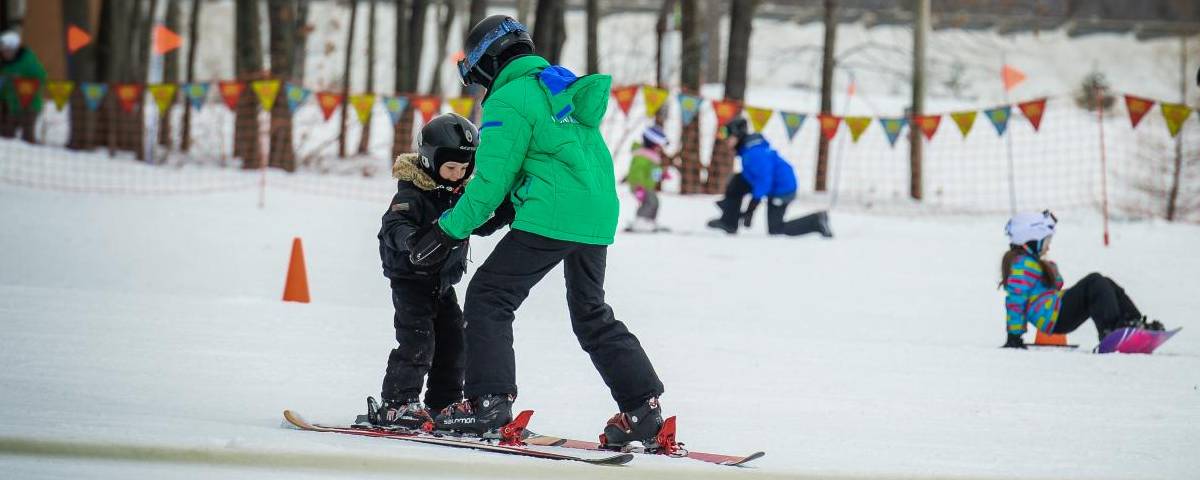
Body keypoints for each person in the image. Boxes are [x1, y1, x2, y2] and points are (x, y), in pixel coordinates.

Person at [407, 16, 669, 450]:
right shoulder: (558, 87)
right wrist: (505, 209)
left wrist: (446, 230)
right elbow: (550, 164)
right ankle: (643, 408)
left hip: (555, 213)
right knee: (591, 312)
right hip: (595, 214)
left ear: (489, 61)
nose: (480, 88)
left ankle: (488, 402)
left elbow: (490, 183)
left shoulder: (510, 99)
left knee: (490, 296)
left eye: (477, 76)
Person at [371, 113, 513, 429]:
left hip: (442, 283)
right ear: (429, 160)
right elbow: (393, 225)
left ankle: (444, 403)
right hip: (411, 281)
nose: (456, 175)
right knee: (418, 342)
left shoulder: (458, 191)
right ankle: (397, 403)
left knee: (454, 344)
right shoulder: (412, 193)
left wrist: (506, 211)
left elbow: (476, 225)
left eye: (464, 169)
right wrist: (412, 240)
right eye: (450, 168)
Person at [999, 211, 1165, 349]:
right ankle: (1113, 331)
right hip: (1054, 317)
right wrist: (1014, 336)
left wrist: (1049, 269)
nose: (1048, 246)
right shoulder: (1021, 266)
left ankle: (1134, 323)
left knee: (1105, 282)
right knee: (1094, 281)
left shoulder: (1031, 263)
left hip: (1056, 310)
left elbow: (1056, 284)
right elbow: (1016, 301)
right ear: (1031, 241)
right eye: (1046, 241)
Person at [707, 117, 832, 238]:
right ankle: (729, 222)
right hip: (772, 185)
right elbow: (749, 178)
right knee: (737, 182)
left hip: (782, 191)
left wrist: (752, 208)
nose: (726, 139)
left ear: (737, 135)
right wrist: (731, 201)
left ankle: (816, 220)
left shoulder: (754, 154)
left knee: (776, 229)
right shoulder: (748, 149)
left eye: (728, 135)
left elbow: (764, 182)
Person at [0, 30, 46, 143]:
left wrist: (20, 80)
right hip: (13, 104)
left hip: (30, 105)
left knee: (27, 135)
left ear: (15, 49)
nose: (5, 54)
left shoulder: (28, 61)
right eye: (3, 51)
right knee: (6, 133)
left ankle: (33, 151)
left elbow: (41, 77)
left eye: (8, 51)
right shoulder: (4, 64)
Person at [623, 125, 669, 233]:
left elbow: (652, 172)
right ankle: (641, 221)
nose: (660, 148)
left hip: (647, 186)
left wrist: (662, 174)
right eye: (658, 145)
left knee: (654, 202)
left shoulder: (652, 156)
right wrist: (638, 186)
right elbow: (636, 171)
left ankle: (648, 221)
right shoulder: (641, 155)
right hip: (640, 186)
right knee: (650, 202)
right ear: (652, 143)